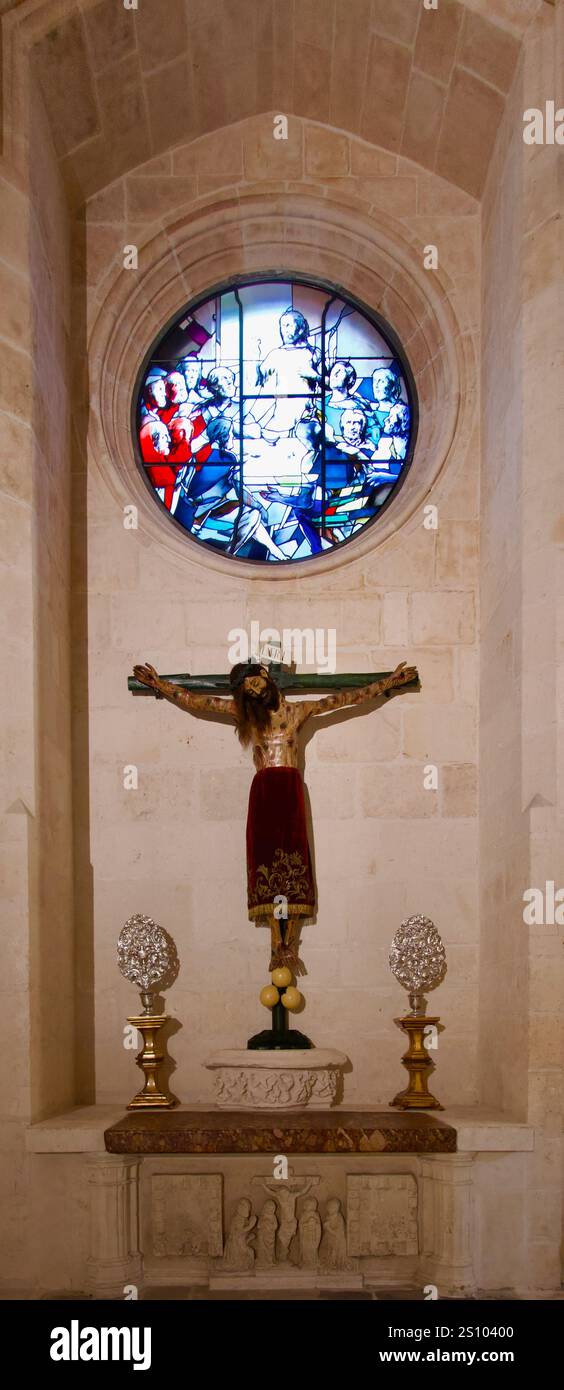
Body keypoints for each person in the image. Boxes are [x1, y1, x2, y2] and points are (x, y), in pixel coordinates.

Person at [132, 658, 418, 971]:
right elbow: (199, 701)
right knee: (266, 863)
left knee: (294, 863)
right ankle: (276, 945)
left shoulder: (298, 712)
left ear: (266, 675)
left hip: (290, 790)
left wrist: (389, 682)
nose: (254, 691)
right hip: (265, 793)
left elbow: (345, 699)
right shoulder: (245, 716)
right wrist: (160, 685)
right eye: (247, 690)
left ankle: (288, 943)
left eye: (254, 682)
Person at [250, 308, 320, 439]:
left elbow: (329, 384)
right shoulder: (276, 354)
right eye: (281, 326)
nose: (284, 330)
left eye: (288, 325)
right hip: (281, 419)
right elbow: (256, 381)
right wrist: (255, 356)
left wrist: (314, 375)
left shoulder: (314, 353)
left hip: (306, 419)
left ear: (301, 327)